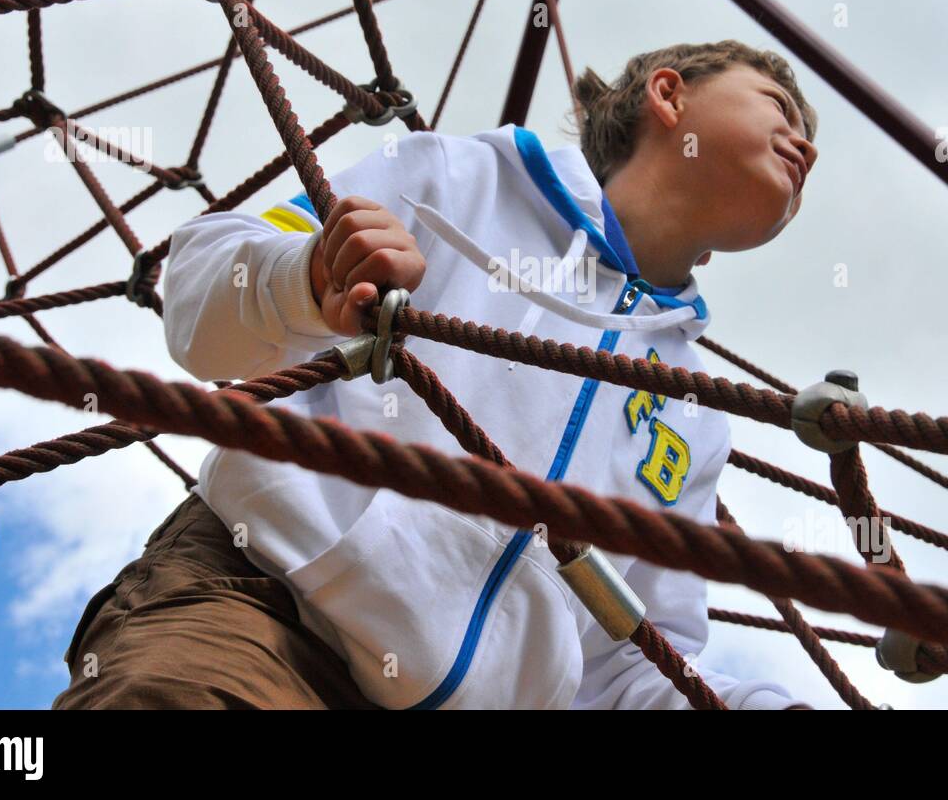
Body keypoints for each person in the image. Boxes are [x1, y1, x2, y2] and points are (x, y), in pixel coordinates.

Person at [53, 39, 819, 710]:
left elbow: (624, 664)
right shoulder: (462, 179)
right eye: (778, 104)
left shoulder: (692, 413)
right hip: (267, 604)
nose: (804, 148)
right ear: (669, 93)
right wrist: (307, 275)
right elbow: (199, 287)